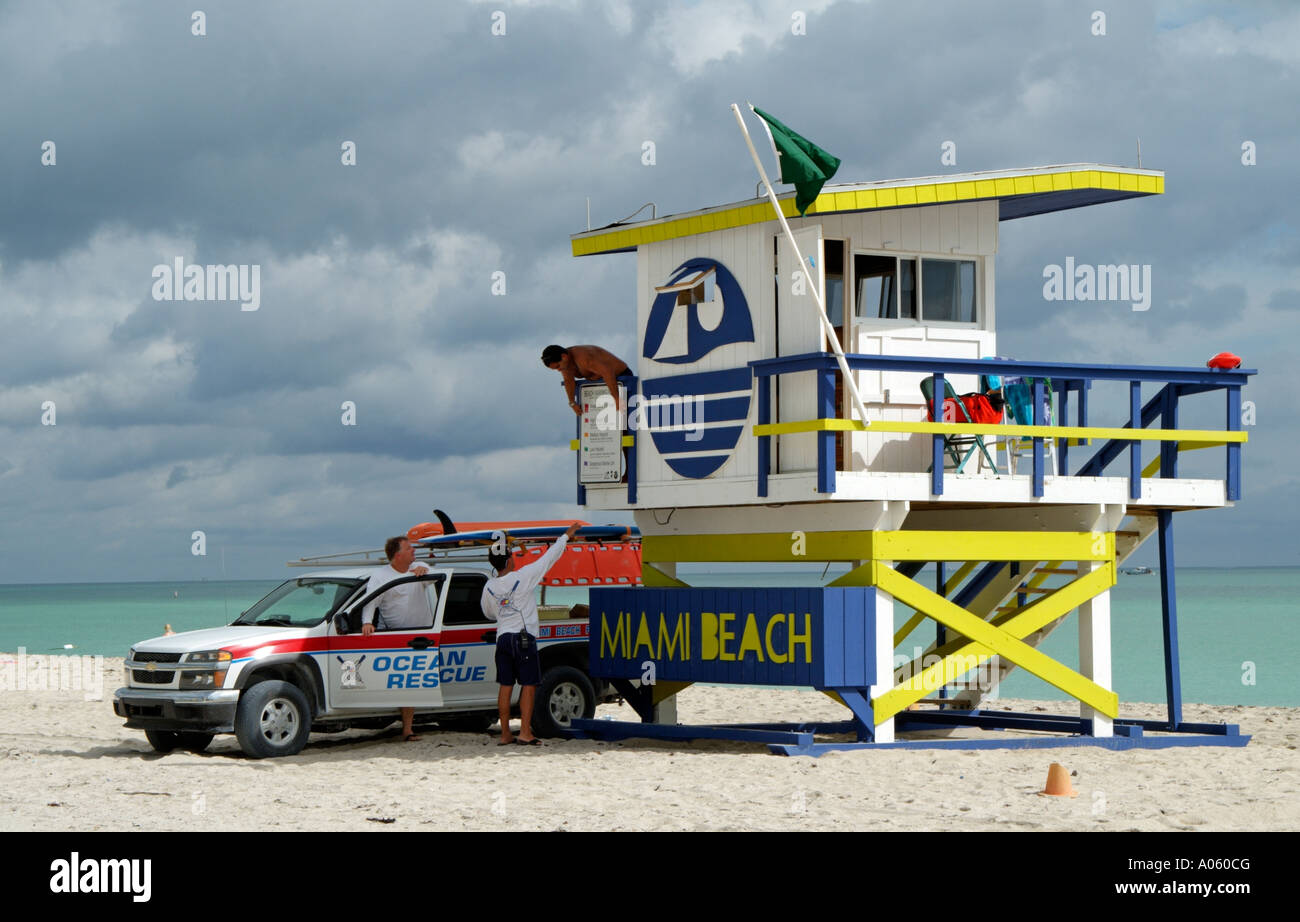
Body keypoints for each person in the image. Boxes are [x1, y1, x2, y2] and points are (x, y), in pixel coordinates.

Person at [481, 521, 582, 745]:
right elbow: (549, 558)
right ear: (508, 560)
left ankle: (505, 733)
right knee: (528, 684)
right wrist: (566, 535)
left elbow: (489, 613)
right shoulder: (522, 577)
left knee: (505, 685)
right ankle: (525, 732)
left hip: (503, 639)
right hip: (523, 638)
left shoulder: (488, 587)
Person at [361, 536, 433, 742]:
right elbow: (370, 602)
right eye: (409, 548)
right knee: (405, 684)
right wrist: (367, 622)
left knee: (413, 684)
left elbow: (430, 572)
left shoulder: (418, 567)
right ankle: (406, 729)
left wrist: (424, 570)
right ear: (398, 555)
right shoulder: (381, 576)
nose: (414, 550)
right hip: (397, 636)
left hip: (424, 636)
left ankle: (409, 729)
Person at [541, 345, 632, 414]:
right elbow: (568, 381)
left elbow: (607, 372)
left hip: (621, 377)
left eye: (558, 366)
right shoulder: (565, 365)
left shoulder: (584, 357)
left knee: (623, 421)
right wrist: (572, 403)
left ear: (564, 357)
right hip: (604, 385)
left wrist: (616, 398)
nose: (559, 370)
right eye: (555, 369)